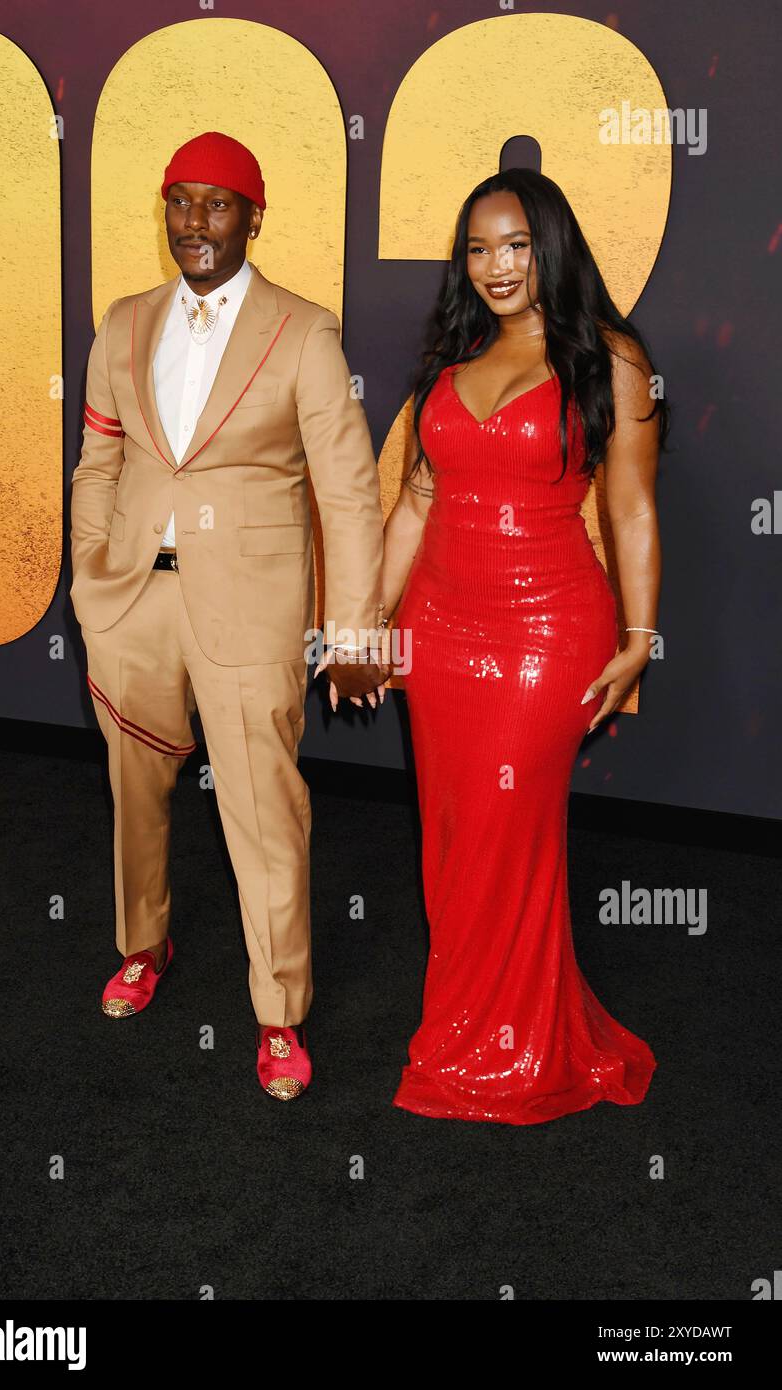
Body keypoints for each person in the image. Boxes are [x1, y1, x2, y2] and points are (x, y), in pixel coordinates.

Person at [70, 131, 388, 1101]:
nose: (195, 224)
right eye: (180, 202)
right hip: (131, 602)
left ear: (254, 216)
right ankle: (141, 944)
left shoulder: (303, 333)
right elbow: (99, 464)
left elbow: (348, 492)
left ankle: (279, 1011)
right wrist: (89, 577)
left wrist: (353, 626)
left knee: (262, 808)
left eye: (217, 206)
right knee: (133, 793)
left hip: (251, 610)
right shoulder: (122, 324)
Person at [381, 168, 664, 1124]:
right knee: (454, 835)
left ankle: (504, 1050)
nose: (496, 266)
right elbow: (417, 499)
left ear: (550, 247)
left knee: (509, 833)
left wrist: (638, 636)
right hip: (439, 627)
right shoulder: (453, 356)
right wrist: (370, 624)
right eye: (477, 248)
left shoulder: (610, 360)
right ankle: (472, 1022)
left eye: (514, 245)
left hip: (548, 634)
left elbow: (627, 507)